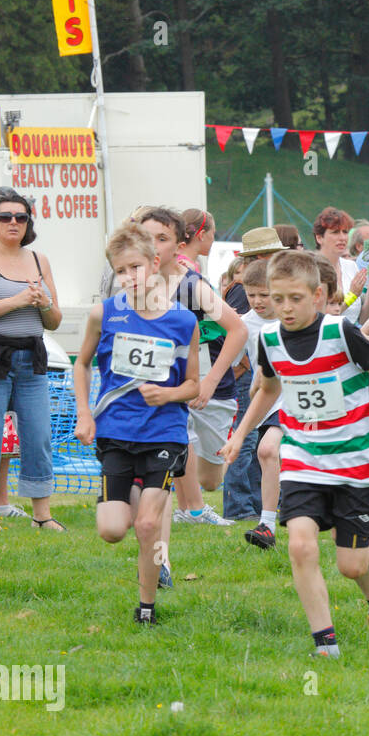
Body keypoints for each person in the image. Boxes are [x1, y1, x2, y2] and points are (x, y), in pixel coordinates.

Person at [219, 250, 369, 657]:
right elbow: (269, 389)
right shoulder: (268, 339)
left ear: (318, 294)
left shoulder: (342, 333)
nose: (285, 308)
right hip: (304, 459)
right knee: (300, 545)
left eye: (295, 298)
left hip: (357, 462)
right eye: (277, 298)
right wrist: (240, 435)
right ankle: (325, 644)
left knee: (351, 566)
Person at [73, 223, 198, 624]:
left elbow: (193, 385)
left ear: (155, 263)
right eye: (120, 270)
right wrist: (84, 413)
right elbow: (82, 363)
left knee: (147, 525)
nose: (129, 277)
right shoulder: (103, 314)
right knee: (113, 529)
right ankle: (133, 494)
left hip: (165, 432)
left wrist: (168, 394)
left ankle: (146, 607)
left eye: (135, 267)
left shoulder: (182, 321)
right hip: (116, 433)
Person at [140, 208, 248, 542]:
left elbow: (238, 330)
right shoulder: (134, 283)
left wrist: (211, 379)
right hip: (166, 382)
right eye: (148, 239)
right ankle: (193, 510)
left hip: (209, 383)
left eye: (162, 239)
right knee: (177, 438)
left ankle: (196, 502)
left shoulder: (191, 286)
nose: (155, 247)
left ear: (177, 243)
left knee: (212, 477)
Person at [0, 187, 64, 531]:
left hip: (32, 357)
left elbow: (54, 320)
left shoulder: (40, 260)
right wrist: (19, 300)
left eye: (21, 217)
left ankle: (42, 515)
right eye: (5, 216)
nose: (13, 223)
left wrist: (43, 304)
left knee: (39, 434)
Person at [233, 260, 285, 549]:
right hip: (267, 402)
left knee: (267, 451)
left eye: (263, 295)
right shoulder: (245, 324)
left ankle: (266, 523)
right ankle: (269, 523)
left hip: (298, 400)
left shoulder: (292, 318)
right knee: (271, 456)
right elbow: (231, 361)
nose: (257, 301)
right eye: (251, 295)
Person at [314, 208, 364, 319]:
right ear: (319, 238)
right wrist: (352, 296)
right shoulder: (311, 268)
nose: (342, 238)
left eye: (345, 232)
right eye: (335, 232)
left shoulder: (351, 266)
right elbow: (318, 319)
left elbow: (360, 319)